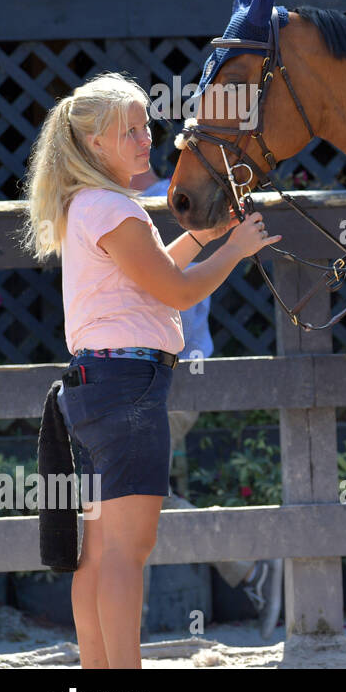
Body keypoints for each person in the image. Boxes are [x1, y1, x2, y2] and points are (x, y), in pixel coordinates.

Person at [20, 72, 279, 668]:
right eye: (130, 131)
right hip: (129, 390)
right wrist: (236, 249)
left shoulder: (90, 206)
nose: (146, 139)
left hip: (96, 387)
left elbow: (152, 272)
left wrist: (204, 237)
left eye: (143, 126)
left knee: (100, 552)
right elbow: (176, 292)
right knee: (126, 553)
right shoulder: (114, 208)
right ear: (94, 145)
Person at [133, 167, 285, 643]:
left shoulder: (172, 200)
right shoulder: (120, 203)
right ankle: (249, 566)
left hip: (171, 369)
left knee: (125, 495)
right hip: (144, 371)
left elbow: (176, 288)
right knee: (124, 495)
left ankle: (126, 633)